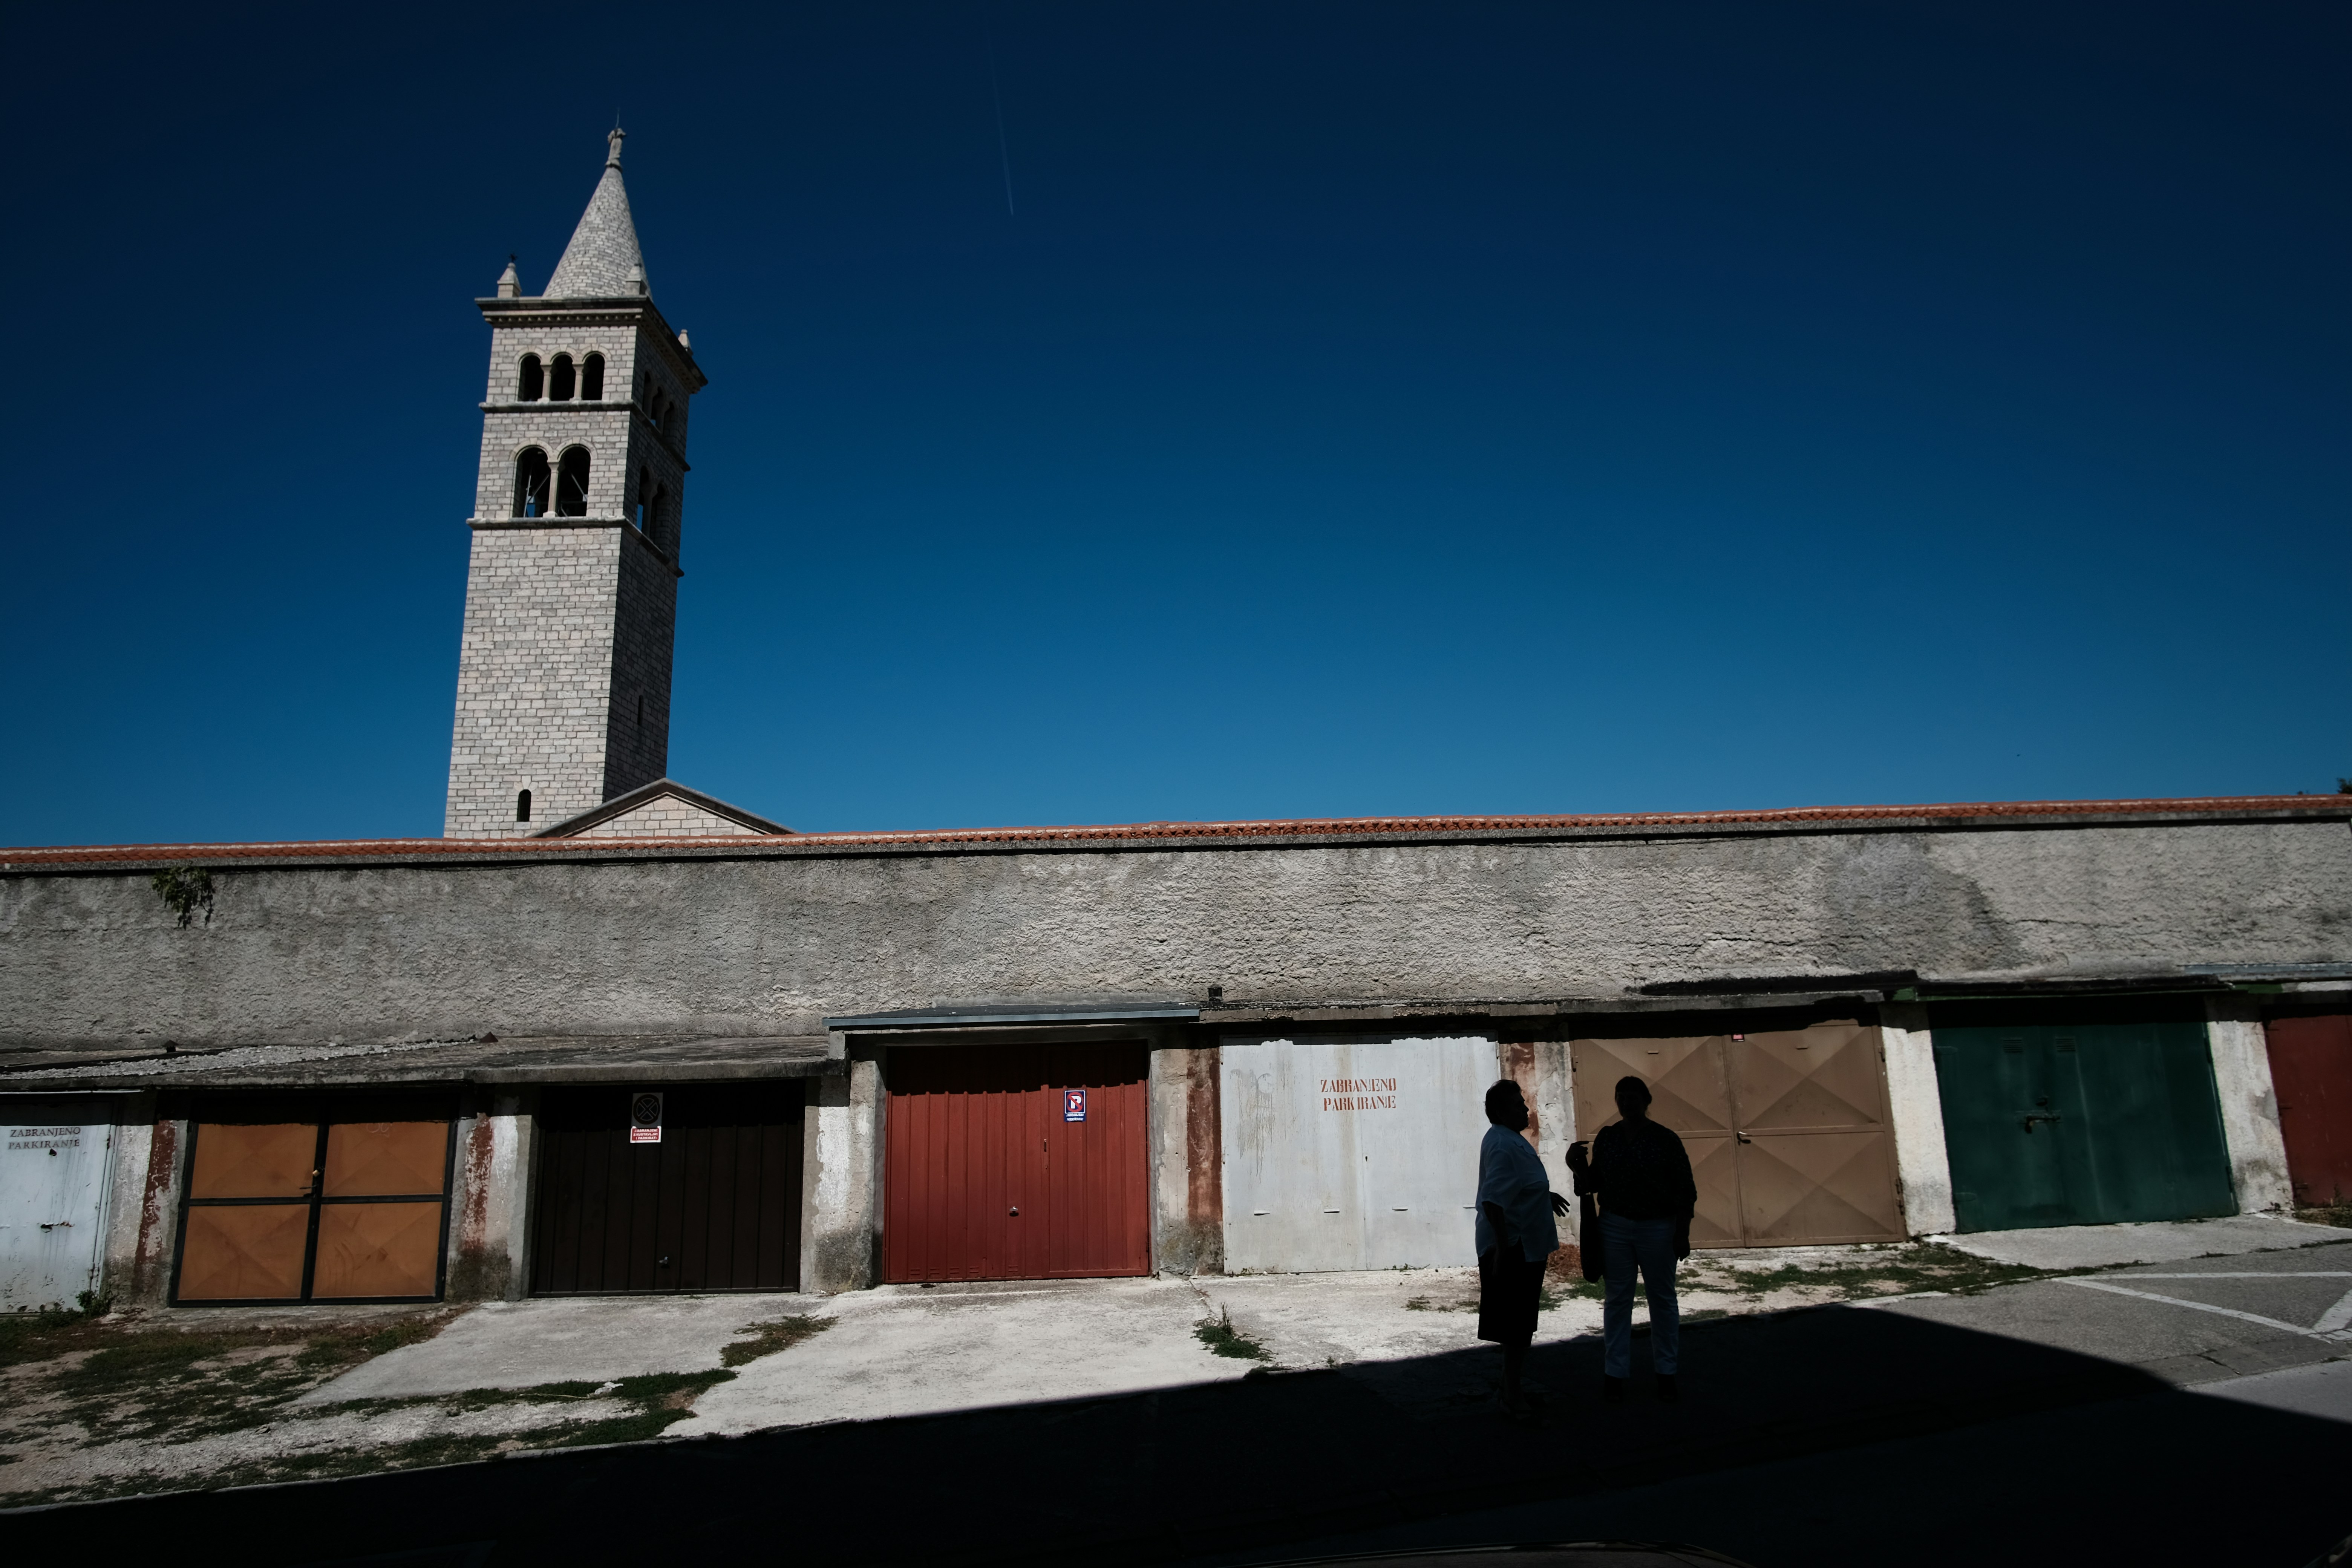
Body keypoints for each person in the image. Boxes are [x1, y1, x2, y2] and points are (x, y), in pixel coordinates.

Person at [1565, 1075, 1696, 1404]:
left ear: (1646, 1101)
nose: (1626, 1104)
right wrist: (1577, 1166)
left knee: (1662, 1299)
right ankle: (1615, 1374)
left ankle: (1666, 1373)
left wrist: (1682, 1233)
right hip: (1615, 1226)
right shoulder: (1609, 1138)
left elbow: (1685, 1190)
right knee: (1618, 1299)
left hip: (1658, 1226)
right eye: (1621, 1098)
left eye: (1632, 1098)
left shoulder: (1665, 1139)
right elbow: (1594, 1181)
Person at [1475, 1078, 1571, 1420]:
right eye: (1519, 1105)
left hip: (1523, 1246)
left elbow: (1516, 1187)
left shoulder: (1512, 1141)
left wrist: (1543, 1196)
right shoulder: (1503, 1145)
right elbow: (1494, 1202)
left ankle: (1509, 1386)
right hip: (1515, 1248)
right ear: (1502, 1111)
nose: (1527, 1110)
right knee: (1516, 1326)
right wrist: (1502, 1251)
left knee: (1520, 1323)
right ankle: (1512, 1395)